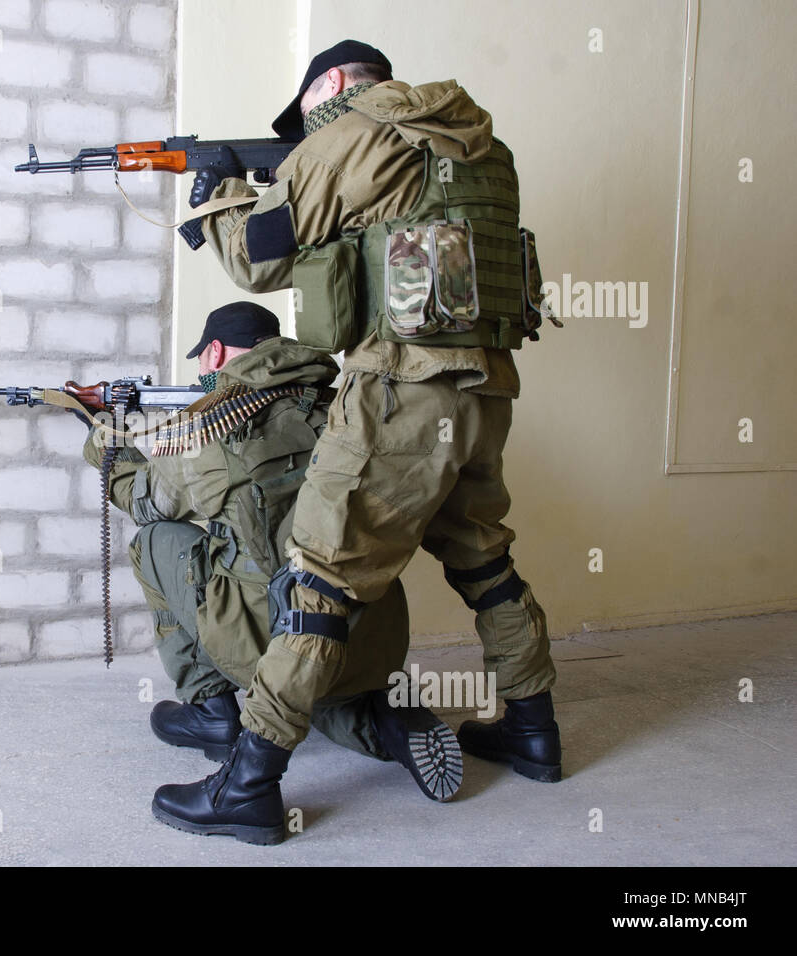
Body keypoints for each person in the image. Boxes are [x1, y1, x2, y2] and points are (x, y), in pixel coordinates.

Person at [161, 41, 562, 840]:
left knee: (319, 578)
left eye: (308, 109)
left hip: (402, 397)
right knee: (484, 560)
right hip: (486, 393)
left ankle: (250, 781)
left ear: (336, 85)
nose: (307, 126)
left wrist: (219, 196)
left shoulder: (358, 134)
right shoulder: (487, 145)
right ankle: (533, 726)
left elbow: (256, 260)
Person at [83, 301, 462, 843]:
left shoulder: (211, 427)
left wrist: (103, 441)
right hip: (373, 640)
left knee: (157, 542)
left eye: (203, 360)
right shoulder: (348, 408)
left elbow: (142, 500)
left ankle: (213, 713)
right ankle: (386, 720)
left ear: (214, 353)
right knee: (323, 667)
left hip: (276, 643)